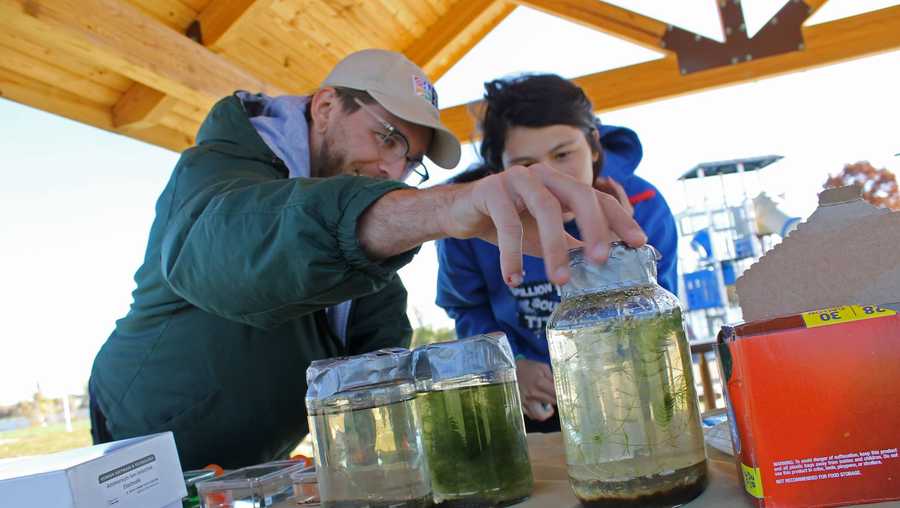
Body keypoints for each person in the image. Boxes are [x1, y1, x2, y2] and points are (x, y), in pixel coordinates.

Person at [89, 51, 646, 469]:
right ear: (327, 105)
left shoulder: (368, 228)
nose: (391, 168)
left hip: (261, 467)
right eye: (385, 137)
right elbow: (225, 259)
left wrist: (479, 389)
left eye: (410, 159)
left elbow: (382, 353)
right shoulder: (218, 166)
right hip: (144, 446)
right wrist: (442, 208)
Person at [436, 74, 678, 432]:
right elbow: (466, 307)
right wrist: (508, 364)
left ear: (594, 147)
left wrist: (619, 259)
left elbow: (661, 319)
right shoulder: (468, 224)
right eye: (526, 167)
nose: (548, 178)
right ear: (498, 169)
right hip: (530, 408)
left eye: (564, 154)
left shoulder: (645, 206)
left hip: (630, 396)